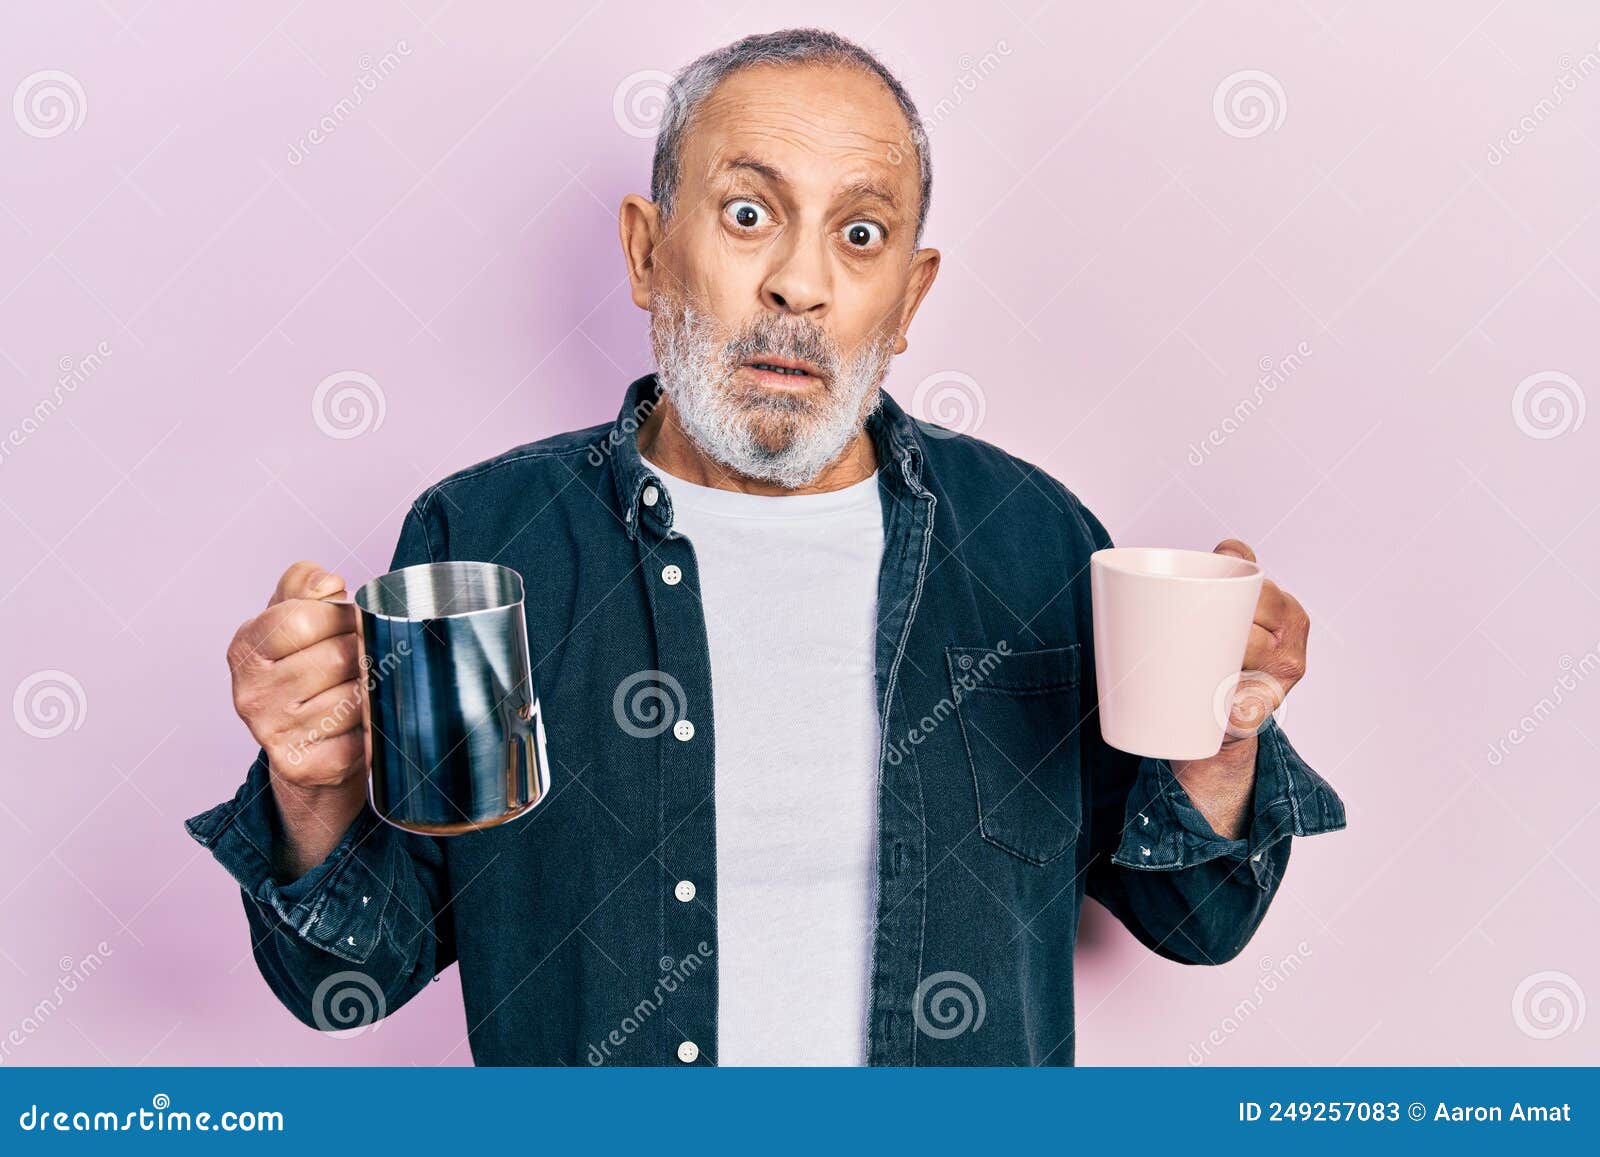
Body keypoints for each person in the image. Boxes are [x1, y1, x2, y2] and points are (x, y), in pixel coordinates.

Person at [188, 27, 1345, 1066]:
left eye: (860, 232)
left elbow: (1199, 918)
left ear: (907, 299)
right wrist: (313, 788)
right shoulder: (487, 542)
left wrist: (1218, 749)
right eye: (748, 214)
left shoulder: (1032, 539)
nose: (800, 282)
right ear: (646, 252)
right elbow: (346, 977)